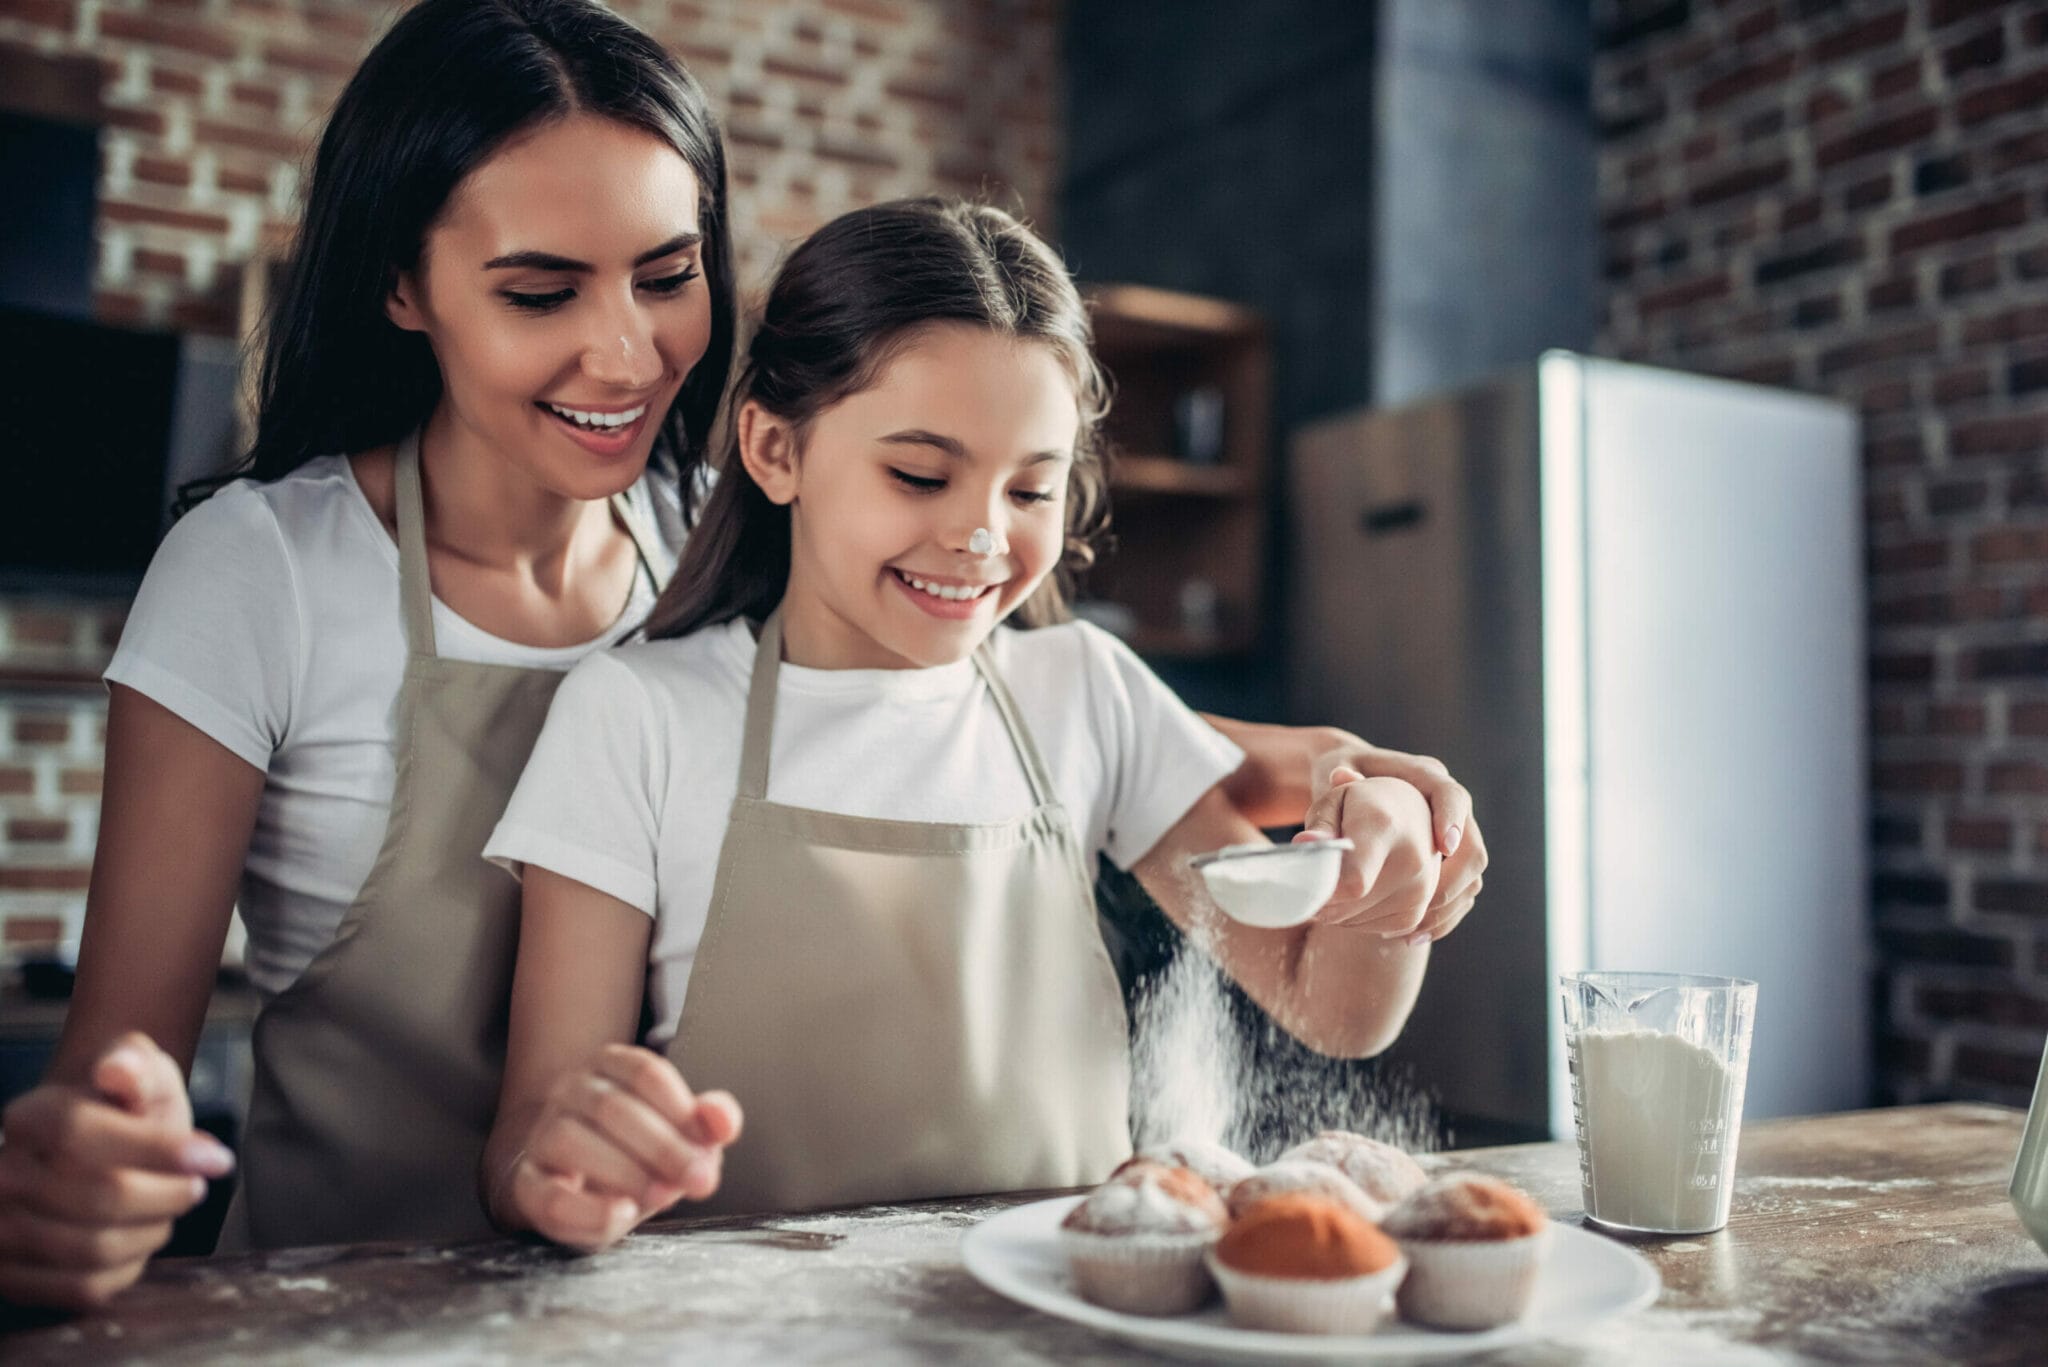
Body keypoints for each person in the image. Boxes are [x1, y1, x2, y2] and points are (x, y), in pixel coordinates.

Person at [0, 0, 1482, 1311]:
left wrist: (1349, 785)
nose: (630, 354)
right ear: (404, 285)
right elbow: (116, 1076)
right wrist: (87, 1167)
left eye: (666, 272)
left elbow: (1031, 703)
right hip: (354, 1302)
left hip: (668, 1303)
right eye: (539, 290)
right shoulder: (267, 569)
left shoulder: (708, 535)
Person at [480, 199, 1468, 1255]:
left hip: (1057, 1321)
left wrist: (1388, 859)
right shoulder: (638, 715)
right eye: (918, 473)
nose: (979, 534)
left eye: (1032, 486)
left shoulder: (1082, 691)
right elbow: (528, 1136)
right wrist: (569, 1170)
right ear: (773, 449)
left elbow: (1333, 1010)